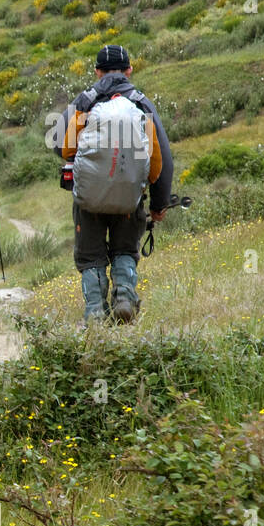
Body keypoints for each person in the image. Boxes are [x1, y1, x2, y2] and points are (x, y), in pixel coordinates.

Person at [55, 45, 173, 324]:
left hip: (89, 199)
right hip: (131, 198)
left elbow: (61, 145)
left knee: (91, 255)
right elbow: (162, 160)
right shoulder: (142, 104)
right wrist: (158, 204)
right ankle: (124, 298)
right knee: (124, 249)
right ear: (129, 70)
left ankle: (95, 312)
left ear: (97, 71)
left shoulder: (85, 101)